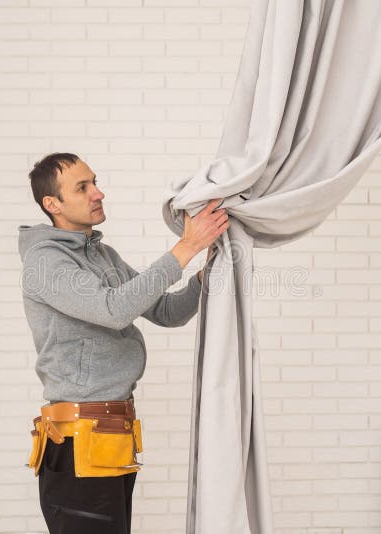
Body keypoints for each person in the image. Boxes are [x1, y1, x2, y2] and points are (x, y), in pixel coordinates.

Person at [18, 152, 228, 534]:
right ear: (53, 204)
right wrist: (185, 247)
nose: (98, 193)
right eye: (82, 187)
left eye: (95, 181)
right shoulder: (45, 263)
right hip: (78, 445)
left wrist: (207, 269)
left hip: (110, 434)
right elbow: (113, 309)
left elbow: (166, 311)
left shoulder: (103, 255)